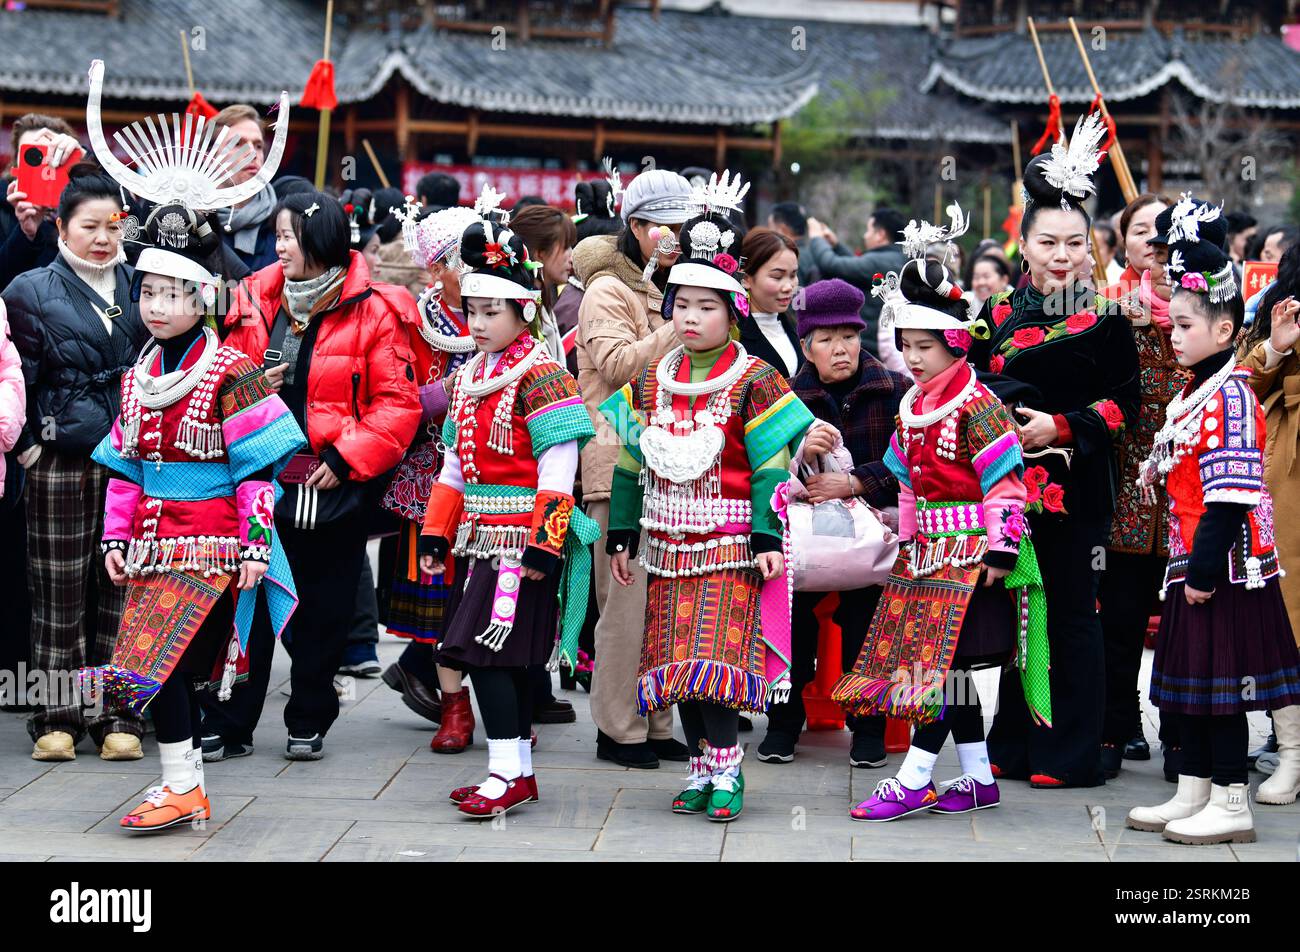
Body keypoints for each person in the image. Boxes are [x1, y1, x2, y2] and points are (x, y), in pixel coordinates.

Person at [84, 201, 304, 831]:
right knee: (145, 669)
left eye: (173, 294)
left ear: (204, 297)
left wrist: (256, 546)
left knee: (168, 664)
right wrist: (112, 539)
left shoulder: (232, 370)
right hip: (153, 543)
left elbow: (259, 468)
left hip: (212, 541)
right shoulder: (138, 377)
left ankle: (182, 784)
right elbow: (126, 471)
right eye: (147, 291)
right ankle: (183, 784)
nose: (156, 306)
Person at [600, 172, 813, 821]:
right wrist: (622, 533)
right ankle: (700, 770)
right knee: (673, 664)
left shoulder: (756, 379)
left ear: (732, 312)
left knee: (712, 662)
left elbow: (773, 465)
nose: (689, 317)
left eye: (705, 306)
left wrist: (768, 537)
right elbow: (632, 460)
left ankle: (728, 773)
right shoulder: (653, 379)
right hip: (665, 546)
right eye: (681, 304)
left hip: (728, 547)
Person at [832, 213, 1045, 822]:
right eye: (905, 346)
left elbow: (1007, 488)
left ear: (956, 343)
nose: (913, 358)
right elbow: (904, 482)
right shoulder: (913, 404)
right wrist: (903, 538)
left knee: (940, 671)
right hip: (925, 555)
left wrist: (1001, 557)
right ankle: (977, 778)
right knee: (938, 668)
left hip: (972, 555)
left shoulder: (979, 406)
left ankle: (917, 775)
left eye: (924, 347)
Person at [206, 190, 421, 761]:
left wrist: (345, 459)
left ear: (321, 241)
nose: (278, 247)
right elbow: (222, 372)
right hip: (260, 478)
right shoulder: (253, 296)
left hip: (332, 483)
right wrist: (254, 385)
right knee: (245, 599)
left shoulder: (376, 308)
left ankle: (308, 716)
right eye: (276, 236)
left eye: (288, 236)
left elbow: (396, 404)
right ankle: (231, 720)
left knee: (324, 608)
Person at [969, 114, 1141, 789]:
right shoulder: (996, 314)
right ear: (1025, 241)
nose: (1063, 254)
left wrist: (1060, 428)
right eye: (1049, 241)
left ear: (1091, 245)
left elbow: (1125, 404)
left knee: (1072, 615)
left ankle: (1072, 750)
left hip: (1077, 489)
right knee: (1016, 613)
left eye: (1076, 241)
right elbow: (972, 387)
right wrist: (1009, 421)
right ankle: (1012, 742)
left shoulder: (1109, 317)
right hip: (1009, 493)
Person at [1125, 202, 1300, 843]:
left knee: (1221, 685)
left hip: (1222, 565)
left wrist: (1200, 570)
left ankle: (1230, 799)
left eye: (1187, 326)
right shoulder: (1193, 390)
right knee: (1188, 685)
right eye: (1172, 324)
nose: (1174, 335)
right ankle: (1192, 785)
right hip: (1192, 561)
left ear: (1226, 330)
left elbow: (1229, 496)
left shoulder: (1229, 393)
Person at [417, 218, 597, 817]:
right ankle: (515, 771)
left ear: (523, 312)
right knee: (505, 657)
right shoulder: (468, 376)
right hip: (481, 539)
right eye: (473, 311)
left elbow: (557, 467)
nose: (479, 324)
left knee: (484, 651)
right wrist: (437, 533)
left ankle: (502, 771)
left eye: (493, 312)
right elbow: (452, 469)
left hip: (523, 543)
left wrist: (546, 545)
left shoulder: (541, 375)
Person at [4, 164, 149, 761]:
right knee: (58, 589)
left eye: (113, 226)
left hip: (132, 456)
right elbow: (17, 378)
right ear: (61, 227)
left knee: (123, 589)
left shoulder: (146, 284)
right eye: (89, 226)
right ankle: (57, 716)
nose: (103, 238)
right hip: (60, 460)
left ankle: (119, 716)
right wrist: (29, 449)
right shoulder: (28, 290)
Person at [757, 277, 910, 767]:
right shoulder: (783, 397)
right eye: (825, 340)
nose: (839, 349)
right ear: (806, 346)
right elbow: (764, 465)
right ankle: (784, 724)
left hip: (873, 537)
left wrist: (856, 482)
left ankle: (866, 729)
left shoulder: (895, 391)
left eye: (847, 336)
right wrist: (801, 455)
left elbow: (913, 464)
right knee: (793, 624)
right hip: (805, 540)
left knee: (867, 627)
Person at [576, 168, 695, 769]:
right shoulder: (607, 292)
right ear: (639, 228)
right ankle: (616, 729)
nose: (677, 240)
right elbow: (619, 366)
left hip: (669, 465)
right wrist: (683, 326)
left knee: (663, 605)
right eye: (668, 230)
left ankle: (655, 723)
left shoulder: (667, 287)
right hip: (615, 462)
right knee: (623, 605)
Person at [378, 199, 481, 740]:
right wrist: (454, 393)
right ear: (437, 267)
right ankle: (440, 685)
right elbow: (397, 395)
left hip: (493, 468)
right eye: (464, 257)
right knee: (439, 587)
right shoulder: (415, 319)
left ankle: (428, 674)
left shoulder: (507, 305)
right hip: (432, 468)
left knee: (483, 584)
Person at [1095, 193, 1183, 779]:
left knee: (1184, 618)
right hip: (1129, 483)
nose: (1153, 245)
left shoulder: (1211, 316)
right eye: (1142, 233)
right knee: (1122, 616)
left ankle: (1180, 730)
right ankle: (1120, 722)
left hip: (1190, 490)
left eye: (1164, 235)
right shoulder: (1111, 313)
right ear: (1126, 243)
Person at [1238, 239, 1300, 802]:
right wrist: (1276, 351)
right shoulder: (1279, 313)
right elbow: (1233, 392)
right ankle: (1291, 753)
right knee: (1286, 614)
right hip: (1286, 476)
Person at [804, 207, 907, 370]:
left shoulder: (878, 261)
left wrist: (816, 238)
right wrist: (836, 245)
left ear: (880, 234)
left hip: (873, 349)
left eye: (868, 230)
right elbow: (857, 269)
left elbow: (831, 264)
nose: (865, 235)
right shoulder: (898, 258)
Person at [1, 114, 81, 290]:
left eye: (51, 153)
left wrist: (85, 161)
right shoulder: (3, 209)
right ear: (16, 162)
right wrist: (26, 235)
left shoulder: (83, 202)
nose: (43, 164)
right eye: (31, 154)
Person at [213, 104, 279, 272]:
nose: (252, 153)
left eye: (258, 146)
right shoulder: (189, 220)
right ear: (211, 156)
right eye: (237, 144)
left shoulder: (283, 220)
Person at [510, 203, 576, 361]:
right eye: (566, 247)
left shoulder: (540, 298)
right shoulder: (519, 312)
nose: (571, 257)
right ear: (540, 254)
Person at [738, 227, 802, 379]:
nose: (788, 287)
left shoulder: (796, 326)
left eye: (793, 275)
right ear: (746, 278)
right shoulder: (734, 337)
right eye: (777, 277)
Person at [767, 201, 821, 288]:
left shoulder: (789, 258)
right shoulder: (814, 253)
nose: (768, 234)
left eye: (770, 228)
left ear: (782, 229)